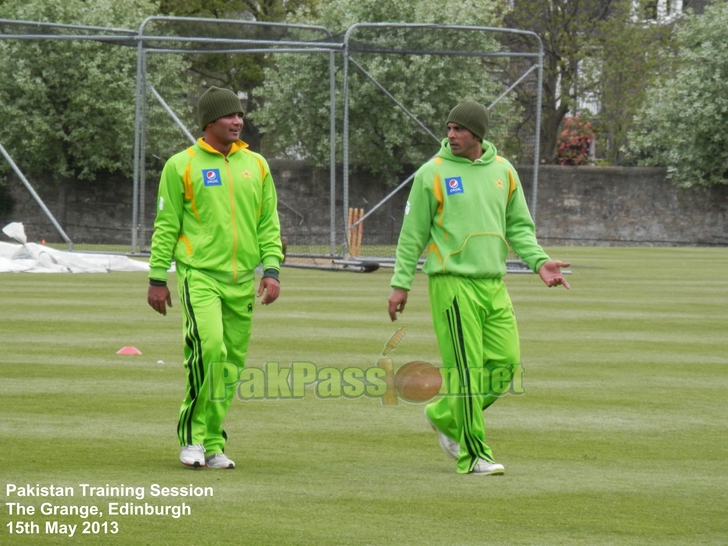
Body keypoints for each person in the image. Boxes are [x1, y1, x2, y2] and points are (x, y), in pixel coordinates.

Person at [387, 100, 569, 475]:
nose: (451, 135)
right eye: (449, 128)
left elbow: (519, 226)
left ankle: (442, 413)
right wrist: (400, 283)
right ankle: (474, 455)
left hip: (493, 284)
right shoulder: (432, 173)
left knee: (505, 366)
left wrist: (539, 261)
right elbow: (412, 236)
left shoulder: (504, 171)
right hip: (452, 285)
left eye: (459, 129)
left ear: (478, 134)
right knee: (466, 372)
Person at [147, 86, 284, 469]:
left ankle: (212, 443)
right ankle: (190, 437)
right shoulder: (181, 165)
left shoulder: (256, 165)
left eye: (240, 115)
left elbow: (268, 223)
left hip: (242, 281)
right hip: (200, 275)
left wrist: (271, 270)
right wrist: (158, 277)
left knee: (230, 366)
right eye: (229, 115)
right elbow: (166, 225)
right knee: (209, 351)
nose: (238, 121)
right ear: (209, 122)